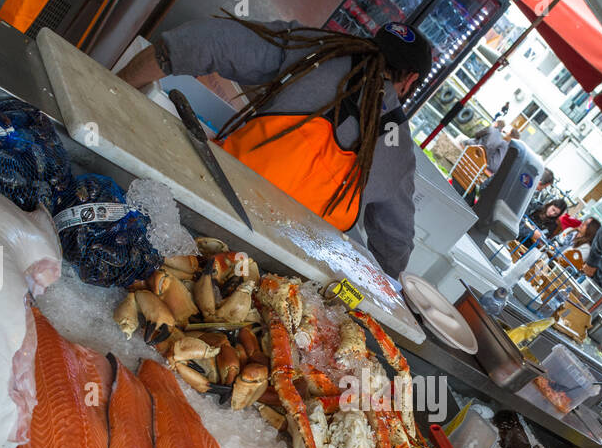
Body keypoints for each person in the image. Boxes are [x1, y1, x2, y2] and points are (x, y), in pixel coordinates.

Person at [119, 15, 431, 279]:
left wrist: (113, 83)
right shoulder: (399, 150)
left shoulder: (315, 50)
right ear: (411, 79)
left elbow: (206, 40)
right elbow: (393, 249)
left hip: (193, 207)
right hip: (273, 278)